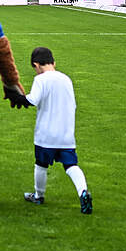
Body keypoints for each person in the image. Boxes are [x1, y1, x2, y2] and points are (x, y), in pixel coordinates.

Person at [24, 47, 92, 214]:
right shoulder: (66, 79)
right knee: (71, 165)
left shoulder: (40, 80)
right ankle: (83, 192)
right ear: (53, 62)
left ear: (36, 65)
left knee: (41, 164)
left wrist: (16, 96)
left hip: (46, 134)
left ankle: (38, 196)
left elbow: (32, 100)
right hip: (66, 134)